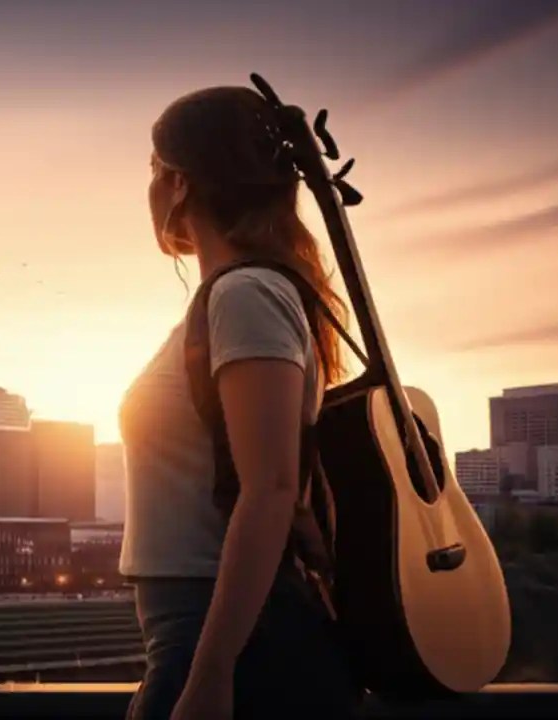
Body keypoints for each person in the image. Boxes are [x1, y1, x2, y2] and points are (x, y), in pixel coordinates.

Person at [118, 85, 360, 719]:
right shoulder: (232, 298)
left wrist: (212, 670)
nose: (148, 188)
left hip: (230, 632)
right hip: (202, 626)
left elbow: (274, 489)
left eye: (152, 170)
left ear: (177, 183)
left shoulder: (246, 295)